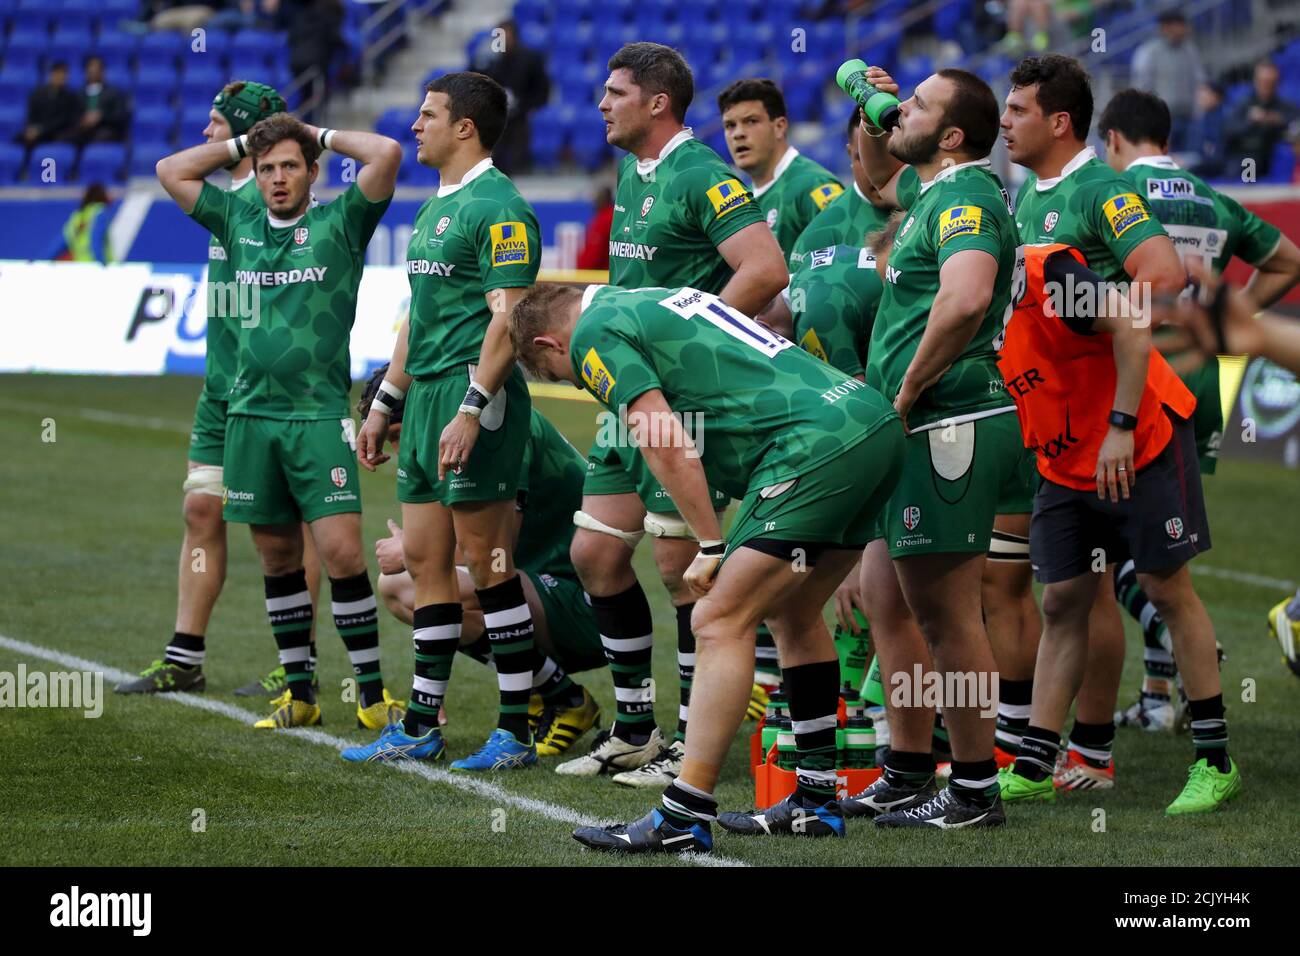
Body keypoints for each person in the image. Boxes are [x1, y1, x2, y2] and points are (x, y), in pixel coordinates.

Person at [510, 282, 904, 853]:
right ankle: (816, 799)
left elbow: (665, 437)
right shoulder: (649, 297)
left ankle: (684, 813)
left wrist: (711, 542)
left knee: (718, 619)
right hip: (868, 420)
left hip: (814, 442)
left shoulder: (595, 330)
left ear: (548, 340)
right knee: (793, 613)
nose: (579, 384)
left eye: (564, 373)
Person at [554, 42, 786, 789]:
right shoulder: (632, 171)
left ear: (657, 103)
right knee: (594, 556)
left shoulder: (702, 175)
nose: (601, 103)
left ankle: (692, 742)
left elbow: (767, 270)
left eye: (614, 92)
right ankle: (633, 729)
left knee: (680, 569)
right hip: (628, 392)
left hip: (681, 402)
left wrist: (695, 344)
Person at [155, 112, 406, 730]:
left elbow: (387, 154)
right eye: (267, 169)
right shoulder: (236, 219)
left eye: (290, 165)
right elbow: (169, 171)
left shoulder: (340, 224)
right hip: (248, 420)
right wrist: (245, 142)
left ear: (313, 173)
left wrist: (313, 131)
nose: (277, 178)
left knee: (344, 554)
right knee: (275, 559)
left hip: (317, 417)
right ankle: (300, 694)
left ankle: (371, 699)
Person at [347, 72, 561, 771]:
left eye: (428, 113)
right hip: (426, 398)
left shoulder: (499, 206)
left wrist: (472, 407)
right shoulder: (437, 208)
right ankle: (419, 725)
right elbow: (418, 318)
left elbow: (509, 322)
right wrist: (385, 403)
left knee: (490, 569)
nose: (416, 125)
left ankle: (514, 731)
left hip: (478, 400)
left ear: (464, 126)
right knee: (427, 563)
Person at [994, 242, 1241, 816]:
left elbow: (1132, 320)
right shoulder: (960, 292)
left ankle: (1215, 761)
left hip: (1141, 439)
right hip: (1064, 462)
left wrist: (1121, 429)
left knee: (1164, 588)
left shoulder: (1049, 273)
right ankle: (1034, 763)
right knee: (1062, 601)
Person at [1000, 53, 1185, 791]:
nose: (1005, 122)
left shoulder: (1100, 189)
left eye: (1017, 111)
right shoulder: (1025, 197)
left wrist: (1103, 334)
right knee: (1068, 592)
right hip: (1055, 425)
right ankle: (1059, 752)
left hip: (1117, 425)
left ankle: (1097, 751)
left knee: (1101, 587)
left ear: (1058, 121)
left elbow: (1163, 276)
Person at [847, 64, 1021, 829]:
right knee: (889, 597)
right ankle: (910, 768)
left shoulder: (967, 196)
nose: (898, 111)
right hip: (919, 425)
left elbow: (968, 296)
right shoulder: (932, 190)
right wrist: (871, 98)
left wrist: (909, 386)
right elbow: (881, 168)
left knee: (950, 616)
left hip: (948, 420)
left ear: (951, 136)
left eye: (916, 104)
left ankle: (977, 787)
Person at [115, 82, 329, 698]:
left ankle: (296, 663)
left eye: (218, 126)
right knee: (201, 508)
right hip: (223, 392)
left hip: (285, 395)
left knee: (298, 528)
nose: (209, 136)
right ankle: (184, 656)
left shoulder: (288, 205)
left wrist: (259, 143)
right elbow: (168, 170)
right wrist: (242, 142)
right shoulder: (225, 201)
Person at [1098, 87, 1300, 728]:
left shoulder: (1113, 195)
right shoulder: (1212, 198)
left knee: (1102, 549)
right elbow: (1288, 260)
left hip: (1133, 383)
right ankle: (1159, 697)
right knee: (1162, 545)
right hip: (1203, 379)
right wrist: (1240, 320)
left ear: (1113, 140)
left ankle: (1174, 658)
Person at [356, 370, 605, 755]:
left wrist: (408, 551)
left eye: (396, 435)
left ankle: (559, 701)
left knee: (419, 582)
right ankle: (557, 693)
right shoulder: (455, 432)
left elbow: (495, 549)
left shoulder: (490, 428)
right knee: (400, 588)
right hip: (536, 591)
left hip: (583, 609)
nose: (400, 449)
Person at [717, 77, 844, 262]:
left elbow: (846, 256)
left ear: (779, 127)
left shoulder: (812, 185)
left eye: (751, 121)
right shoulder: (743, 198)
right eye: (730, 125)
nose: (738, 134)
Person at [788, 107, 894, 272]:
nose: (876, 169)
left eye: (890, 155)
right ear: (849, 153)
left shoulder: (931, 203)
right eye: (863, 157)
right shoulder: (820, 236)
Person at [475, 19, 550, 175]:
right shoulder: (491, 61)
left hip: (521, 116)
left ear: (515, 37)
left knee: (516, 154)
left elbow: (542, 89)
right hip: (496, 117)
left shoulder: (530, 59)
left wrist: (524, 105)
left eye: (506, 36)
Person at [1131, 11, 1205, 152]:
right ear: (1165, 28)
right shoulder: (1149, 51)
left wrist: (1198, 111)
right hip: (1162, 118)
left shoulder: (1190, 50)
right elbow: (1142, 86)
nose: (1181, 30)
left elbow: (1199, 81)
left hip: (1188, 116)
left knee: (1188, 159)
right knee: (1164, 158)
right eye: (1176, 26)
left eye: (1182, 26)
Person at [1224, 59, 1300, 181]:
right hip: (1246, 154)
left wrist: (1277, 120)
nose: (1266, 86)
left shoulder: (1286, 107)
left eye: (1271, 82)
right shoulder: (1243, 104)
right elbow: (1229, 130)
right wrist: (1250, 121)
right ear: (1255, 81)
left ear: (1277, 83)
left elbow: (1296, 126)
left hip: (1271, 154)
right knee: (1246, 165)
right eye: (1263, 82)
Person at [61, 56, 130, 148]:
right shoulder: (79, 94)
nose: (93, 72)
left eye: (96, 69)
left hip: (105, 128)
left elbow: (121, 115)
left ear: (102, 71)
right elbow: (72, 114)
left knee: (101, 138)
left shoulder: (114, 93)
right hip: (83, 129)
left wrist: (101, 116)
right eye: (90, 69)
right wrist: (83, 120)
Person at [17, 63, 80, 162]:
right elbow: (31, 115)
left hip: (57, 132)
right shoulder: (37, 94)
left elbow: (65, 119)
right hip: (37, 132)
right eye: (58, 74)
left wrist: (41, 130)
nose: (61, 77)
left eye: (64, 75)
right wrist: (30, 128)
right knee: (20, 139)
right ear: (52, 75)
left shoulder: (70, 97)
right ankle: (23, 170)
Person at [47, 184, 115, 264]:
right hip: (96, 266)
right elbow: (95, 241)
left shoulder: (76, 217)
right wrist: (103, 265)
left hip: (81, 266)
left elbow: (60, 245)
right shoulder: (99, 212)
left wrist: (45, 261)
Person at [575, 184, 613, 271]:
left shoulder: (605, 219)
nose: (594, 201)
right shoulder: (611, 215)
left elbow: (592, 256)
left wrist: (581, 272)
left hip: (601, 276)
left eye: (597, 197)